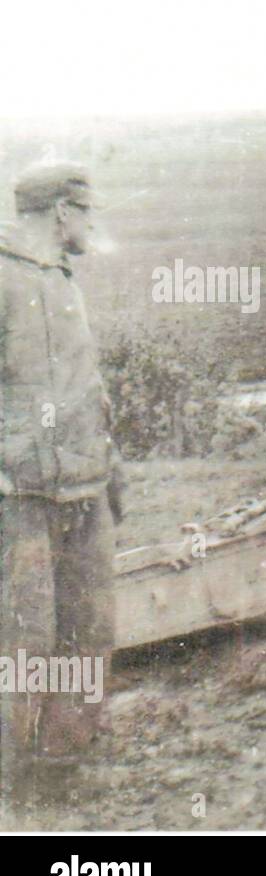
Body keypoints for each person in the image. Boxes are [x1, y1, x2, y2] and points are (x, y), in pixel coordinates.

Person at [0, 162, 120, 807]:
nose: (93, 226)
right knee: (24, 638)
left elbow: (87, 389)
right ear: (63, 213)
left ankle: (61, 758)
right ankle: (14, 771)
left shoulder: (63, 282)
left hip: (82, 485)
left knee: (89, 627)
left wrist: (110, 464)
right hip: (18, 496)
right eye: (89, 212)